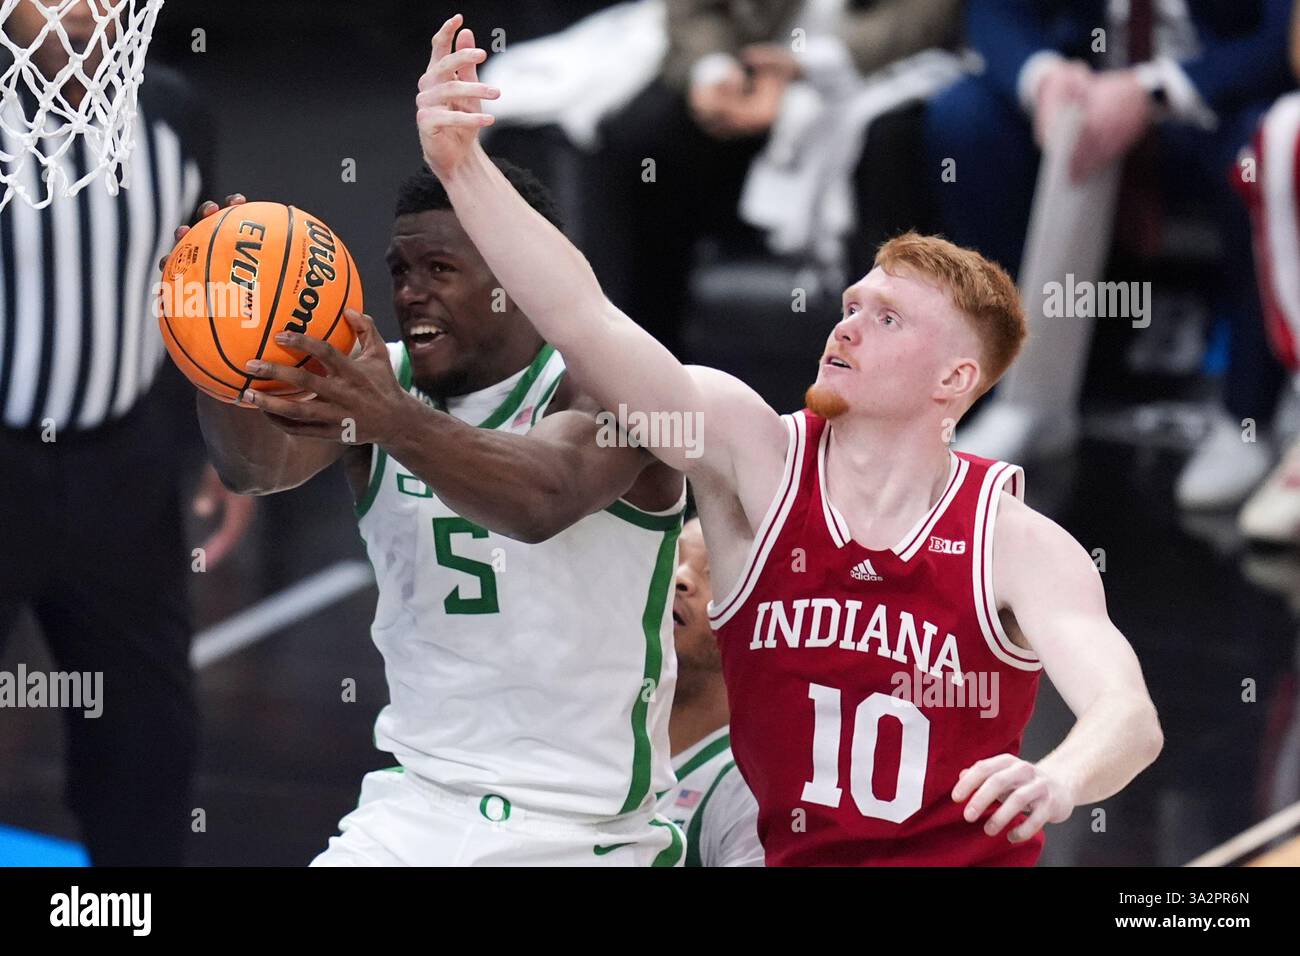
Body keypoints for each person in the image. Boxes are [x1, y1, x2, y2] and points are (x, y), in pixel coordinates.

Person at [415, 13, 1164, 865]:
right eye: (849, 307)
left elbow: (1127, 715)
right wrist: (462, 167)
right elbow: (588, 323)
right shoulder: (755, 458)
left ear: (953, 380)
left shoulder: (1012, 540)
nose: (847, 328)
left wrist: (1062, 779)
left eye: (886, 319)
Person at [187, 158, 688, 866]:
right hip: (412, 810)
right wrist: (223, 353)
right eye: (399, 271)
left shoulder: (612, 389)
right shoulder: (376, 387)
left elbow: (545, 497)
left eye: (439, 270)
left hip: (580, 829)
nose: (411, 294)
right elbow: (254, 468)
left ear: (517, 278)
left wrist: (395, 423)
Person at [0, 0, 251, 865]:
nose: (75, 11)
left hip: (125, 465)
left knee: (147, 745)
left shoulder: (175, 112)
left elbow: (187, 287)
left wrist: (223, 427)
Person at [927, 0, 1293, 511]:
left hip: (1211, 98)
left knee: (1263, 148)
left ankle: (1248, 417)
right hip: (1083, 91)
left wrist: (1153, 90)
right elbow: (994, 11)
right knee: (965, 118)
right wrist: (1044, 77)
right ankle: (1023, 394)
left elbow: (1282, 36)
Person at [658, 517, 763, 867]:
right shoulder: (589, 738)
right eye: (674, 558)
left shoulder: (750, 787)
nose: (680, 579)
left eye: (714, 572)